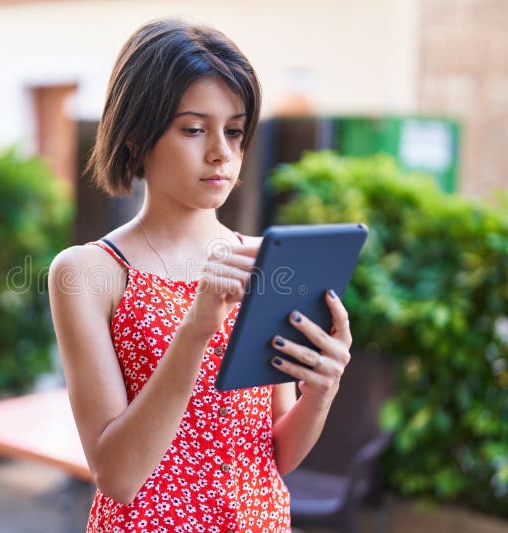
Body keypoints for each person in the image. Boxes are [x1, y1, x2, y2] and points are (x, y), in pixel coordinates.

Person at [48, 18, 353, 533]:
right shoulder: (88, 272)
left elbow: (272, 454)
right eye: (194, 129)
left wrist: (320, 394)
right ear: (136, 137)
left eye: (234, 131)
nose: (222, 152)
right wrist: (198, 326)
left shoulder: (264, 261)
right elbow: (118, 477)